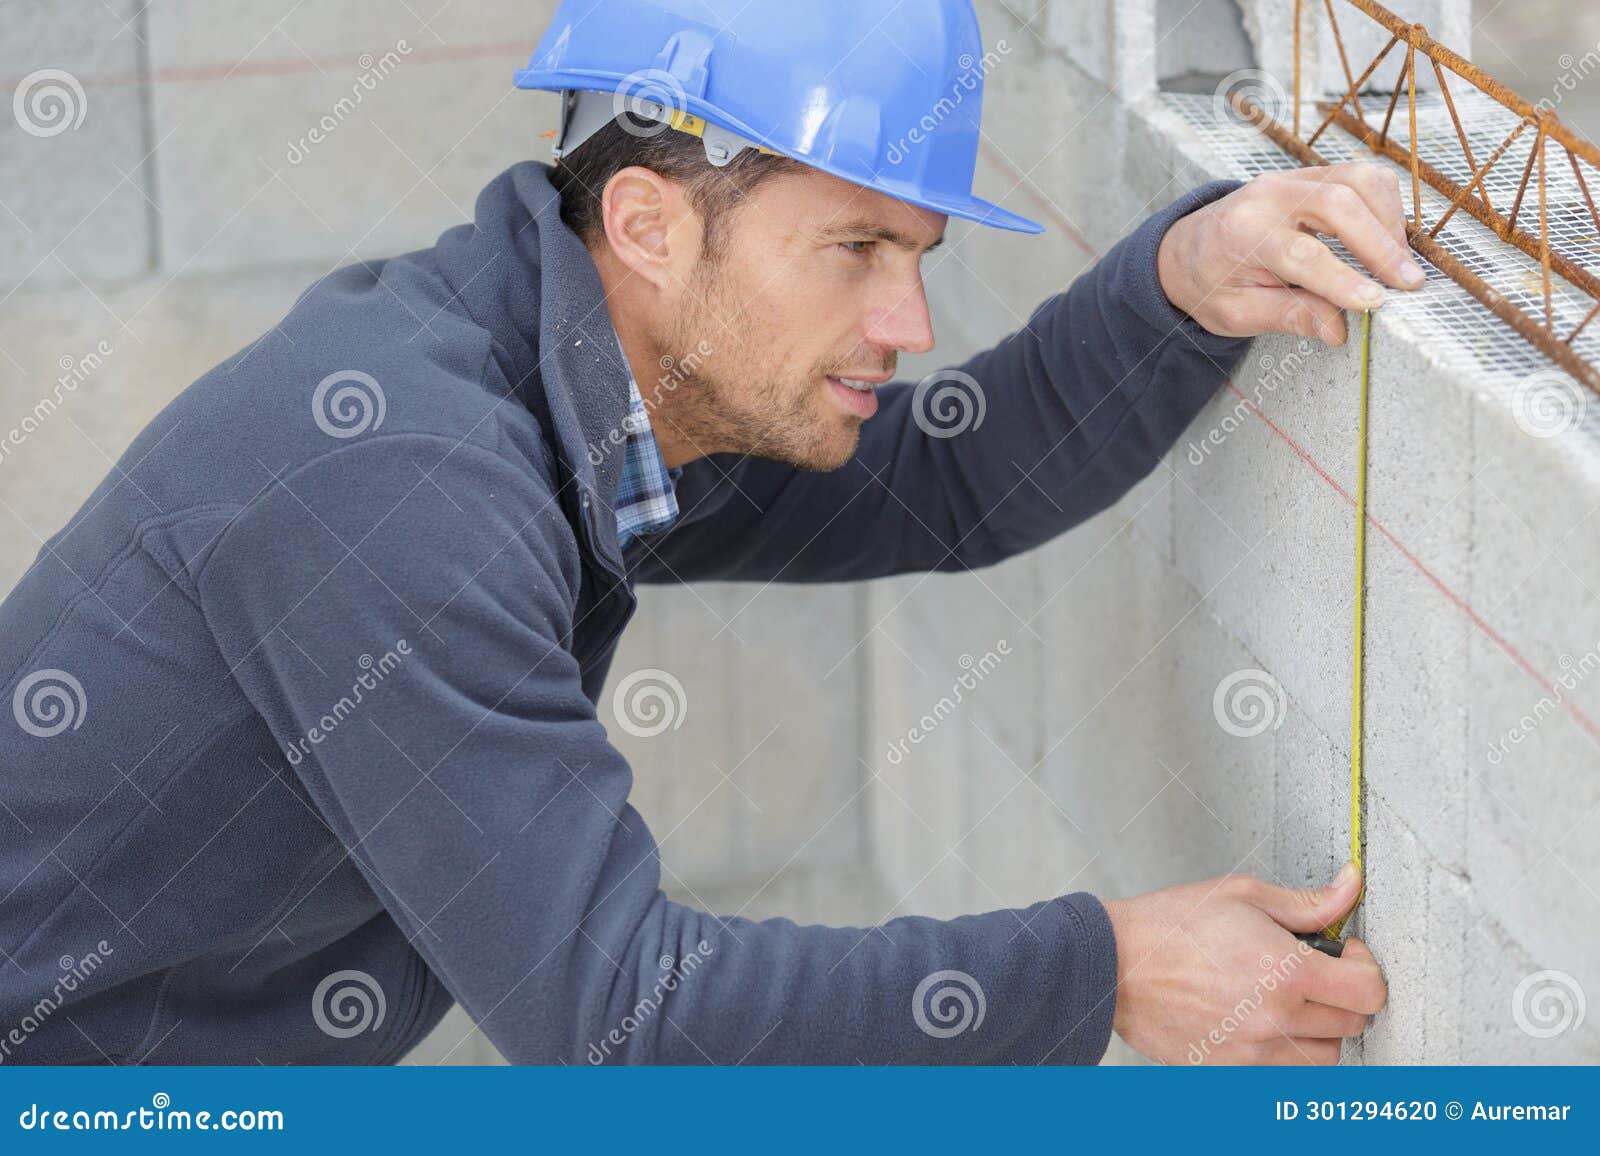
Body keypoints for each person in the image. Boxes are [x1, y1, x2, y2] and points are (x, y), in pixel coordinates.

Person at [0, 0, 1415, 1064]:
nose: (909, 322)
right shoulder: (406, 484)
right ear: (649, 224)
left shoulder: (573, 380)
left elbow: (944, 480)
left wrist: (1182, 282)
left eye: (917, 254)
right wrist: (1106, 973)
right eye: (854, 248)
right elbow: (621, 1013)